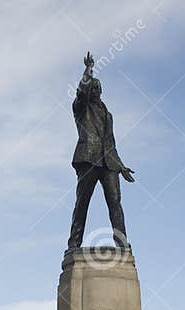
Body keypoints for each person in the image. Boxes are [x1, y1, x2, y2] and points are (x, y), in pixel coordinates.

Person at [68, 51, 136, 250]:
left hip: (108, 162)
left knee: (115, 202)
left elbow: (111, 143)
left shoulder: (108, 115)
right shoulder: (81, 108)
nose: (95, 90)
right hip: (88, 159)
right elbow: (81, 91)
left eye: (98, 87)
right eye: (93, 87)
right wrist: (88, 71)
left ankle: (122, 243)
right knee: (82, 204)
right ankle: (74, 244)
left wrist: (121, 167)